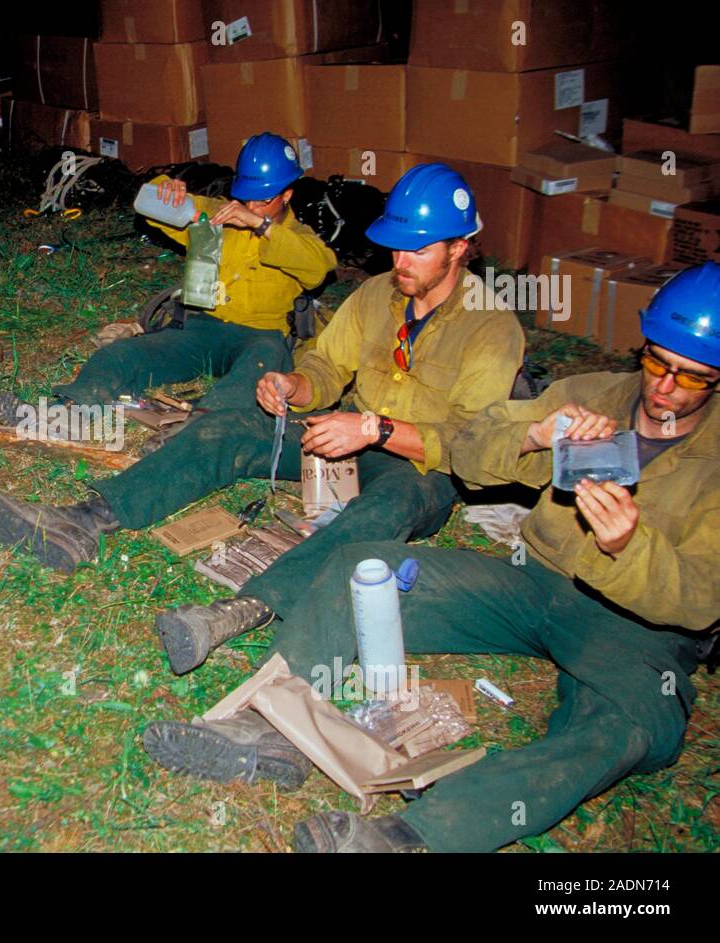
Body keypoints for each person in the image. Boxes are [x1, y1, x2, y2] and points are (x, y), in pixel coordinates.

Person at [148, 261, 720, 853]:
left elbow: (702, 597)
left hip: (637, 627)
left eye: (692, 377)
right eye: (656, 361)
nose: (665, 387)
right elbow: (472, 449)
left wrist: (630, 546)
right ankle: (268, 727)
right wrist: (535, 434)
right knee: (362, 569)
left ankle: (409, 836)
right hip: (535, 584)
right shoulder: (592, 395)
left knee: (618, 731)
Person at [0, 163, 525, 675]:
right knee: (228, 429)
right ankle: (86, 519)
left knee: (385, 509)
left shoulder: (491, 327)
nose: (400, 263)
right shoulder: (376, 296)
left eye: (418, 251)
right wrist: (294, 384)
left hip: (421, 468)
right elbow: (328, 366)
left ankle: (243, 609)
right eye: (395, 248)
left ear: (460, 249)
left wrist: (375, 429)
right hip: (352, 433)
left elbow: (470, 443)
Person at [0, 132, 336, 429]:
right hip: (203, 330)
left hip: (260, 339)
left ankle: (193, 433)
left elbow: (318, 267)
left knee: (259, 372)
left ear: (287, 195)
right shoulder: (218, 214)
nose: (250, 205)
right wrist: (167, 189)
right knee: (123, 355)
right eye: (246, 197)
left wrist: (260, 226)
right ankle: (66, 415)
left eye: (263, 200)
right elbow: (148, 203)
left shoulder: (299, 237)